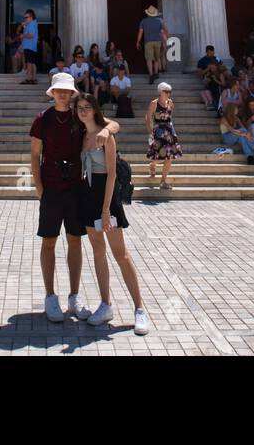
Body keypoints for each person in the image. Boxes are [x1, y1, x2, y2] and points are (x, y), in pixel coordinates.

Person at [74, 93, 150, 335]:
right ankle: (105, 304)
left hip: (106, 198)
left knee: (120, 254)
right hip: (87, 197)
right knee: (97, 252)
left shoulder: (105, 135)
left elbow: (112, 175)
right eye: (80, 108)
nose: (83, 111)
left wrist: (106, 209)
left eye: (87, 107)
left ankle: (140, 309)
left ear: (95, 109)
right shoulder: (81, 135)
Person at [30, 72, 93, 323]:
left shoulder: (80, 117)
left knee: (75, 241)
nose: (62, 94)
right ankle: (50, 296)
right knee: (49, 241)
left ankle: (74, 296)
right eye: (59, 90)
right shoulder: (42, 120)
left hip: (75, 187)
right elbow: (35, 155)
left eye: (66, 90)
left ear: (72, 93)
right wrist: (39, 188)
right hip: (52, 187)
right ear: (53, 92)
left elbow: (107, 124)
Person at [145, 82, 181, 189]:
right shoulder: (154, 103)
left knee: (169, 157)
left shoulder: (170, 103)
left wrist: (172, 131)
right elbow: (148, 117)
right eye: (166, 91)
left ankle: (163, 181)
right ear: (160, 91)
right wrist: (150, 131)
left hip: (169, 131)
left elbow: (170, 117)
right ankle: (152, 165)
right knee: (159, 155)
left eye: (169, 92)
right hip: (158, 131)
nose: (168, 94)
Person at [135, 6, 166, 83]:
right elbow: (162, 32)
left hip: (148, 42)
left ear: (148, 14)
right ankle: (156, 73)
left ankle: (151, 75)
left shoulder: (143, 21)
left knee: (149, 59)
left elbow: (141, 32)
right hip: (157, 42)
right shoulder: (159, 21)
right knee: (156, 58)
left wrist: (138, 41)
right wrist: (164, 41)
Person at [19, 9, 40, 85]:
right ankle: (33, 79)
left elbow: (31, 35)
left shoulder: (31, 24)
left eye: (26, 17)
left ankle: (28, 79)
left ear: (31, 17)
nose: (25, 19)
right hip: (32, 46)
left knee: (29, 63)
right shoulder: (33, 24)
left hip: (29, 46)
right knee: (32, 63)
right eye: (24, 17)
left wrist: (23, 35)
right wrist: (24, 26)